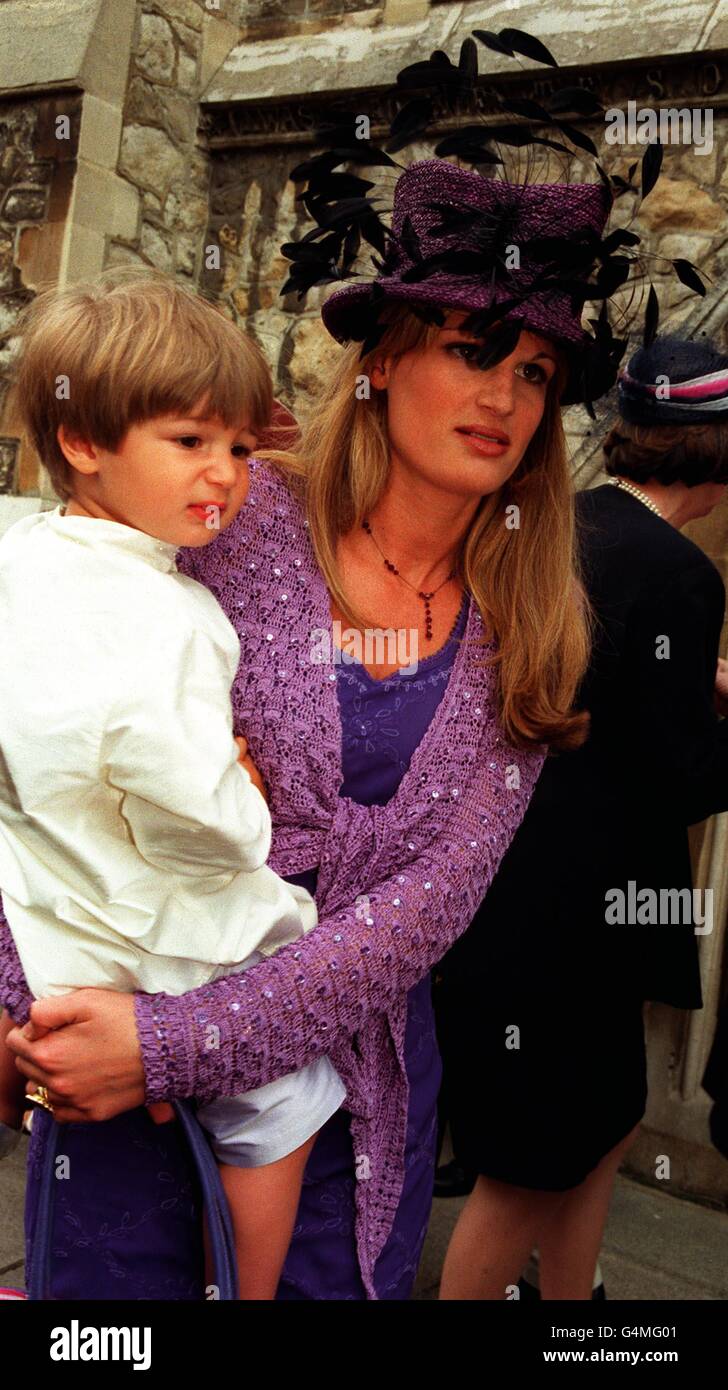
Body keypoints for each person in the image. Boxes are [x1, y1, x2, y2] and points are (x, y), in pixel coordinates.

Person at [0, 30, 701, 1299]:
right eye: (470, 348)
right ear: (380, 360)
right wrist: (29, 1009)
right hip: (111, 1073)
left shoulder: (532, 624)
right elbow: (34, 726)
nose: (503, 394)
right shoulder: (236, 517)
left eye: (534, 371)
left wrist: (180, 1041)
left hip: (346, 1103)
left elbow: (415, 919)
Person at [0, 271, 346, 1299]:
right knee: (287, 1094)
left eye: (240, 447)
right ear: (83, 441)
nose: (228, 474)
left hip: (50, 914)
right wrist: (247, 800)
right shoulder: (171, 614)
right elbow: (198, 810)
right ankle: (242, 1283)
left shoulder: (25, 557)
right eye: (189, 441)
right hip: (152, 929)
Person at [435, 333, 728, 1300]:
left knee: (601, 1131)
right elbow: (677, 776)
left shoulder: (555, 524)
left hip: (507, 894)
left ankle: (574, 1310)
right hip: (579, 924)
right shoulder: (680, 574)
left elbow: (601, 706)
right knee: (528, 1171)